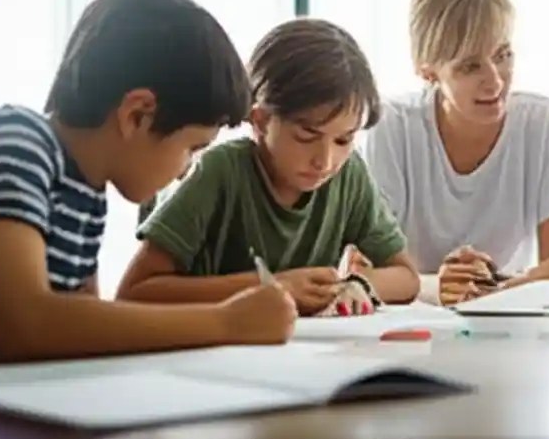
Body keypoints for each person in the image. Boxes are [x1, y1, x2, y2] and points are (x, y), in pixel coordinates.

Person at [0, 0, 294, 361]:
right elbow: (26, 324)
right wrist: (226, 323)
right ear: (137, 115)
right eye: (191, 148)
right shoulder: (17, 147)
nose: (184, 171)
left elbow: (84, 329)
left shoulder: (85, 191)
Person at [120, 18, 419, 314]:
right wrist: (269, 287)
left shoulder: (349, 175)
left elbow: (406, 278)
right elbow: (134, 291)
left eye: (343, 140)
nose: (325, 161)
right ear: (260, 121)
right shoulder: (219, 172)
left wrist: (358, 283)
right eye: (306, 136)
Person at [363, 0, 549, 306]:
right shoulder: (392, 125)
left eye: (503, 55)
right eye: (470, 66)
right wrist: (437, 286)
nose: (495, 80)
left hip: (507, 312)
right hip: (415, 314)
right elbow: (377, 266)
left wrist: (494, 291)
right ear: (428, 71)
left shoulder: (542, 122)